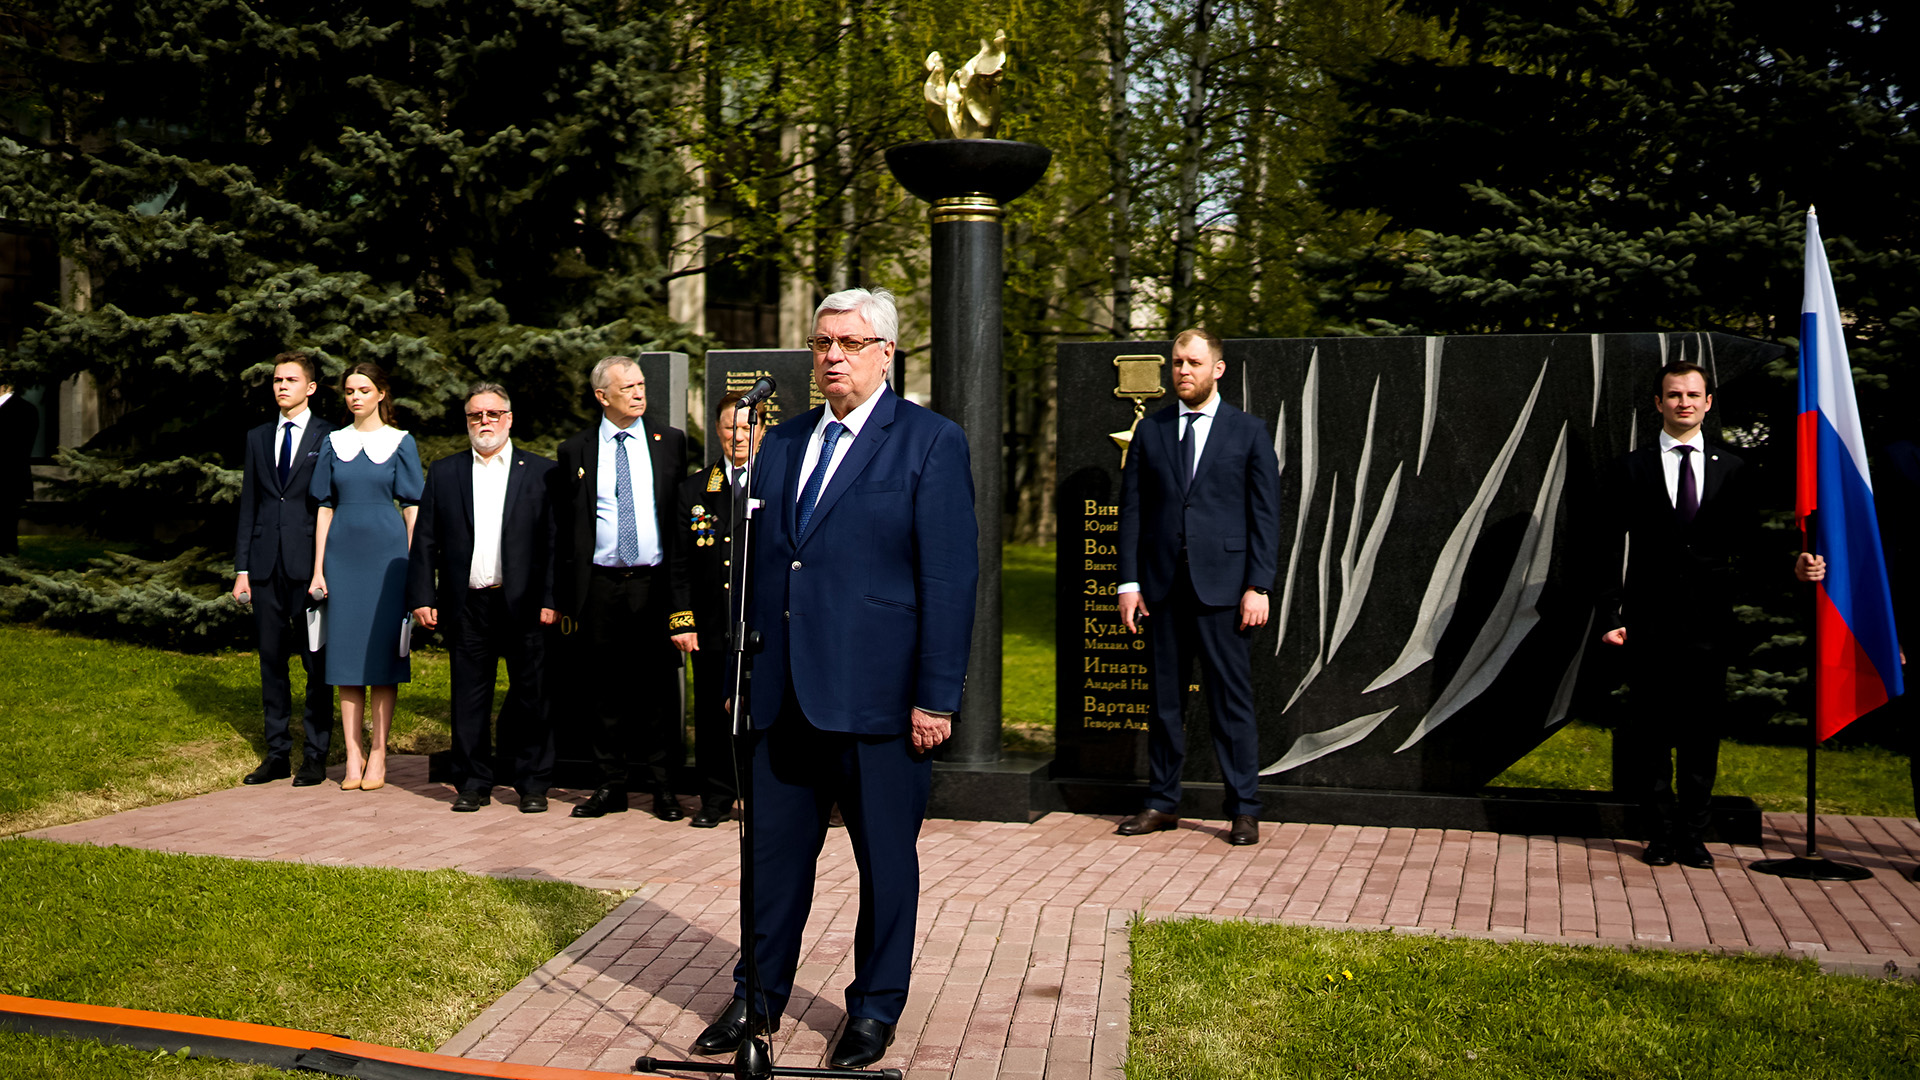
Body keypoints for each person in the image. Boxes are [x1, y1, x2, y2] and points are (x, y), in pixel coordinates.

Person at [692, 287, 977, 1069]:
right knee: (771, 861)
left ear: (886, 353)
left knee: (885, 863)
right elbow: (759, 567)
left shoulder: (928, 441)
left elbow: (950, 579)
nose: (832, 357)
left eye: (850, 343)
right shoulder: (782, 443)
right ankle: (756, 996)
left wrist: (936, 696)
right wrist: (742, 668)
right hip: (782, 691)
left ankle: (875, 1009)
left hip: (881, 699)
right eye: (822, 343)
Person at [1115, 328, 1282, 847]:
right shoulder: (1151, 431)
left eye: (1193, 362)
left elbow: (1265, 516)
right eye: (1176, 362)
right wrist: (1128, 583)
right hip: (1162, 590)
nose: (1183, 371)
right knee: (1165, 703)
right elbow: (1133, 511)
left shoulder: (1249, 432)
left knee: (1230, 703)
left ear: (1218, 369)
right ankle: (1162, 802)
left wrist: (1258, 585)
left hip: (1225, 592)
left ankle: (1243, 808)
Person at [1598, 359, 1755, 869]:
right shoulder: (1631, 467)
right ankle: (1660, 834)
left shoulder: (1732, 469)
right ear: (1659, 403)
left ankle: (1693, 834)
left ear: (1708, 402)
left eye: (1692, 394)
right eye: (1673, 394)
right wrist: (1610, 614)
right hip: (1648, 621)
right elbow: (1605, 545)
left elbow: (1748, 547)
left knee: (1700, 734)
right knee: (1650, 732)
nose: (1683, 402)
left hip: (1709, 623)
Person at [407, 384, 559, 813]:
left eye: (493, 414)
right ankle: (473, 783)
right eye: (476, 415)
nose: (484, 421)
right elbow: (426, 540)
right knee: (469, 699)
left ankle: (533, 785)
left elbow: (553, 543)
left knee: (532, 696)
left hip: (524, 603)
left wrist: (551, 598)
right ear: (468, 422)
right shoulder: (446, 471)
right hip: (468, 604)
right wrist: (422, 595)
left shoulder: (541, 472)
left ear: (509, 419)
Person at [553, 356, 690, 820]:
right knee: (604, 690)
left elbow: (677, 517)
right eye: (627, 387)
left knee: (658, 691)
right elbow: (568, 526)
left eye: (641, 384)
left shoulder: (670, 442)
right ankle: (610, 785)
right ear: (602, 396)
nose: (638, 392)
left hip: (652, 583)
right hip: (600, 585)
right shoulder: (575, 450)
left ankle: (664, 788)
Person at [309, 362, 423, 792]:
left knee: (383, 659)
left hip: (388, 560)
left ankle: (379, 753)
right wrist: (318, 569)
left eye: (363, 389)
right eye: (349, 391)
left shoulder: (400, 441)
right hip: (342, 558)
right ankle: (353, 754)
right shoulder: (333, 441)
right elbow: (324, 507)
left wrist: (414, 568)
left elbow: (412, 508)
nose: (355, 397)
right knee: (346, 658)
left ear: (381, 394)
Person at [232, 353, 336, 786]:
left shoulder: (329, 436)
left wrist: (325, 568)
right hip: (264, 567)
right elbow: (250, 504)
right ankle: (277, 753)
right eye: (277, 380)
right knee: (271, 662)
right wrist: (242, 569)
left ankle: (315, 754)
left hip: (309, 568)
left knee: (316, 663)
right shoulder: (258, 437)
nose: (281, 386)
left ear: (310, 388)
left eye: (291, 380)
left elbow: (331, 503)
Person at [669, 390, 760, 828]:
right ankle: (716, 797)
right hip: (710, 623)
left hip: (760, 624)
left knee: (763, 713)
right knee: (710, 713)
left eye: (745, 427)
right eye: (729, 427)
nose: (737, 436)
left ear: (760, 430)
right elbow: (679, 563)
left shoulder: (778, 483)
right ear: (717, 431)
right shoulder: (695, 489)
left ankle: (761, 797)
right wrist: (681, 620)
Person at [0, 375, 35, 557]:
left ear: (6, 385)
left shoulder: (25, 410)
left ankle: (8, 566)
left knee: (6, 531)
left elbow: (20, 449)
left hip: (9, 480)